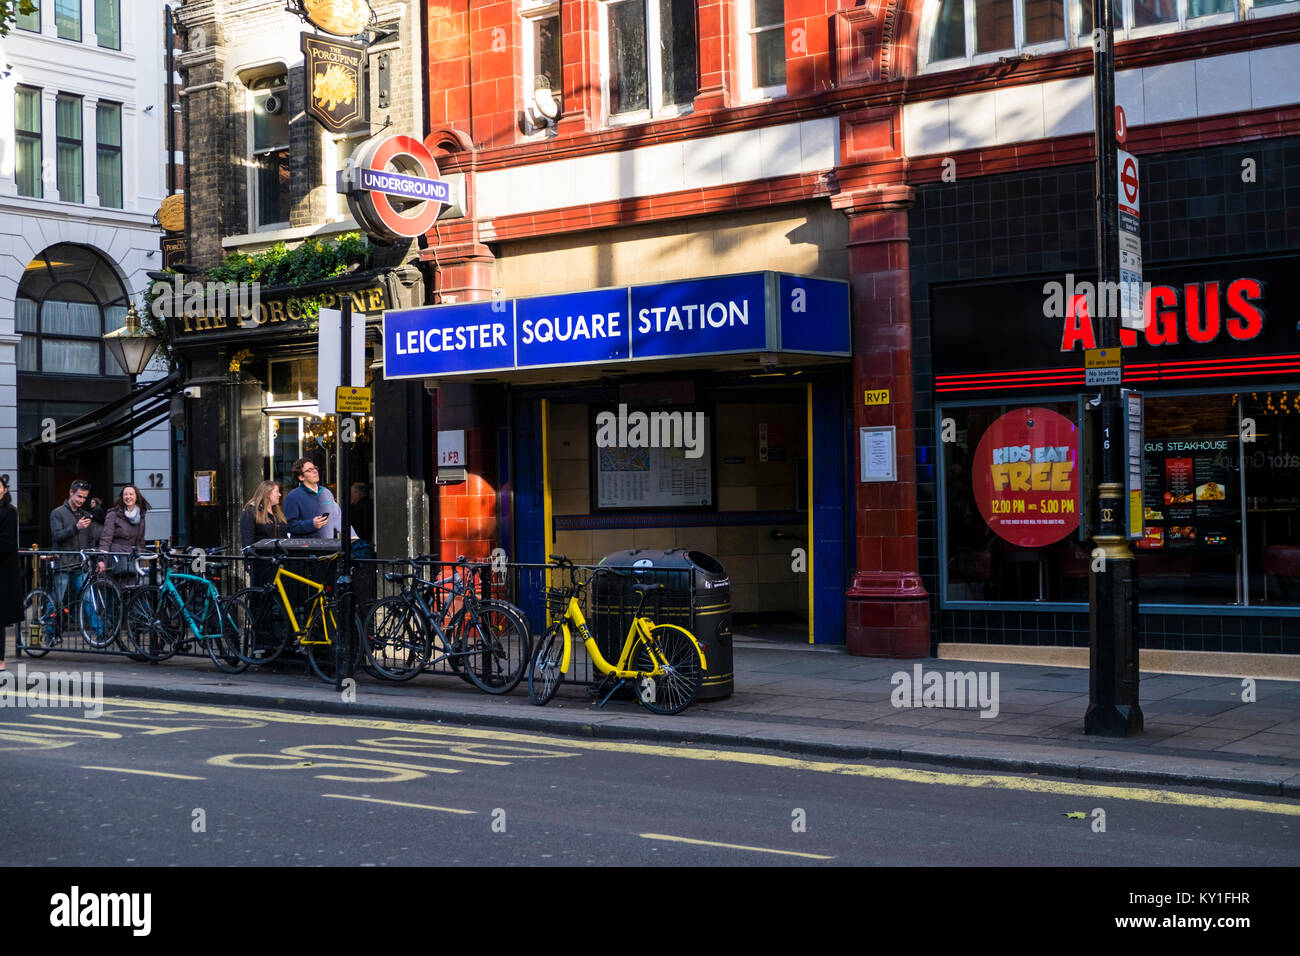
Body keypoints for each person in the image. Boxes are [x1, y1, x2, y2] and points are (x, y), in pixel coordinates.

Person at [49, 479, 102, 607]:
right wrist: (76, 527)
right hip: (64, 564)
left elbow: (90, 541)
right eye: (79, 496)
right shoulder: (57, 513)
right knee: (57, 600)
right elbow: (57, 536)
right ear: (71, 492)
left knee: (88, 599)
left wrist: (97, 558)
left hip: (80, 565)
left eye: (84, 498)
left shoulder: (85, 514)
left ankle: (98, 627)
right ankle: (48, 626)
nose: (81, 500)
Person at [283, 458, 354, 540]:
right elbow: (289, 526)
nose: (315, 471)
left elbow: (338, 519)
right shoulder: (293, 496)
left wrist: (353, 536)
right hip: (306, 550)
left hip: (327, 548)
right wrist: (312, 524)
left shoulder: (326, 493)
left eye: (315, 468)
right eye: (309, 470)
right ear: (301, 477)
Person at [99, 485, 150, 580]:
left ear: (136, 497)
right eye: (125, 494)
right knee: (116, 590)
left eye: (131, 494)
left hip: (131, 560)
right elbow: (106, 539)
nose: (128, 496)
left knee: (132, 590)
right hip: (116, 560)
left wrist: (142, 562)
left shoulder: (141, 516)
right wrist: (102, 559)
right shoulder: (113, 514)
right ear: (122, 497)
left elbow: (140, 541)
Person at [0, 475, 21, 671]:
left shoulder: (9, 512)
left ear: (4, 490)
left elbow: (6, 542)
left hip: (3, 574)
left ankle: (0, 661)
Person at [240, 480, 288, 549]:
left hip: (279, 557)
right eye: (277, 492)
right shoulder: (250, 512)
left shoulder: (277, 512)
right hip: (261, 557)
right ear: (268, 494)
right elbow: (247, 541)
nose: (280, 494)